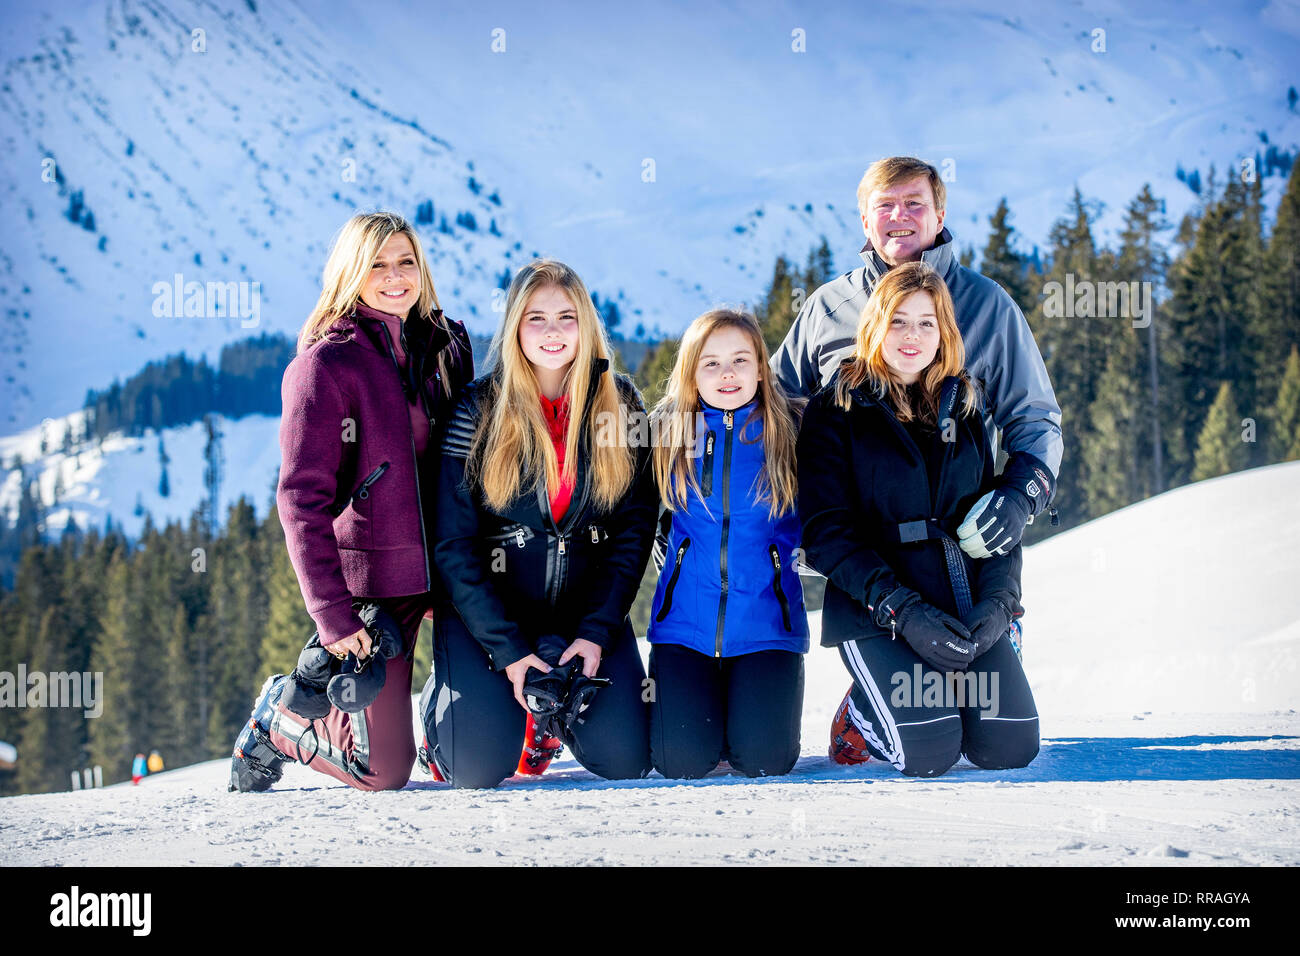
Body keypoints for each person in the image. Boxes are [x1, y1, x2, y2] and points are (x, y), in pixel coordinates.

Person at [229, 212, 473, 793]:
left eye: (406, 262)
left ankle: (448, 735)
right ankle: (283, 719)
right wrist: (333, 617)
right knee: (385, 772)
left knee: (478, 760)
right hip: (375, 593)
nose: (395, 277)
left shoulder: (446, 346)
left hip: (450, 573)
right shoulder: (325, 366)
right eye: (377, 265)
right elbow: (299, 501)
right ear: (351, 273)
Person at [797, 262, 1039, 777]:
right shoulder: (835, 406)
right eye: (899, 321)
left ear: (944, 331)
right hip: (878, 612)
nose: (912, 335)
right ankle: (862, 714)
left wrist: (999, 603)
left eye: (926, 322)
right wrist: (902, 611)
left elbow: (994, 516)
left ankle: (943, 684)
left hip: (961, 602)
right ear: (874, 326)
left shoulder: (966, 403)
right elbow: (825, 533)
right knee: (931, 752)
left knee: (1010, 745)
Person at [424, 258, 659, 789]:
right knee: (475, 768)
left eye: (566, 317)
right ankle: (450, 709)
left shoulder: (620, 404)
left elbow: (634, 529)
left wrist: (596, 634)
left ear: (587, 325)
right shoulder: (476, 410)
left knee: (626, 760)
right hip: (490, 625)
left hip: (583, 621)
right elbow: (452, 545)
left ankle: (551, 716)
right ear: (514, 327)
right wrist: (509, 652)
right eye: (536, 318)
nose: (553, 332)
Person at [772, 156, 1062, 560]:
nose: (899, 215)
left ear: (939, 217)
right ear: (865, 221)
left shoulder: (986, 305)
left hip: (958, 552)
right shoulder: (828, 308)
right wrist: (702, 512)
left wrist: (1021, 493)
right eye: (885, 204)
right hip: (859, 562)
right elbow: (768, 411)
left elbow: (1034, 417)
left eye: (914, 203)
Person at [645, 309, 808, 778]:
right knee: (680, 762)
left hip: (767, 628)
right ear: (691, 372)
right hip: (684, 629)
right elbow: (629, 517)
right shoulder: (666, 430)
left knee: (766, 761)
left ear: (761, 366)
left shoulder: (793, 429)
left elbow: (833, 514)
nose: (728, 373)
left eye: (740, 359)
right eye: (711, 363)